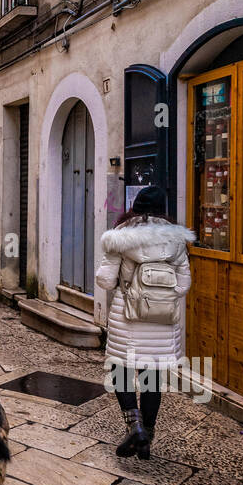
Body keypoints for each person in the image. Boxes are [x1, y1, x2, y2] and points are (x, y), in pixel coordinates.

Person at [95, 185, 194, 459]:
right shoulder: (176, 240)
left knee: (122, 371)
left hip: (127, 318)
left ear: (135, 206)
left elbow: (104, 280)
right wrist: (160, 298)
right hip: (162, 322)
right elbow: (184, 283)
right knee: (152, 378)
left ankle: (134, 426)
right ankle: (147, 435)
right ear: (164, 208)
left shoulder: (120, 237)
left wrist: (129, 287)